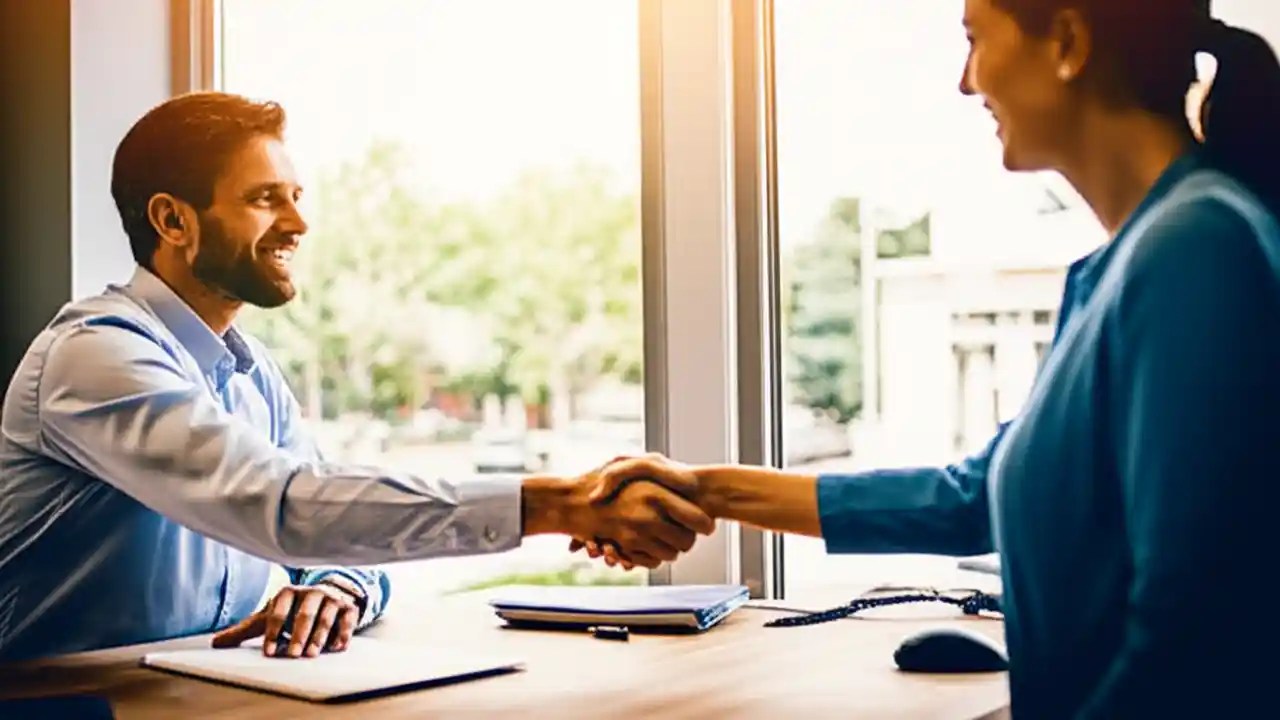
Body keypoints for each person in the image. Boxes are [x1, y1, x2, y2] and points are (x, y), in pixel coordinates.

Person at [581, 1, 1280, 717]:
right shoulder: (1126, 268)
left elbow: (1193, 638)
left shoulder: (1195, 250)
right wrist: (703, 490)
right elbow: (970, 497)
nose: (965, 82)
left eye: (975, 41)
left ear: (1068, 42)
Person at [0, 92, 713, 664]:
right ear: (172, 220)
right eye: (265, 198)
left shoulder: (246, 372)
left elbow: (333, 520)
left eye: (297, 194)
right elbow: (283, 508)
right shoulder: (94, 357)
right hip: (65, 707)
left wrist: (339, 584)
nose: (299, 222)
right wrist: (562, 503)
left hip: (194, 699)